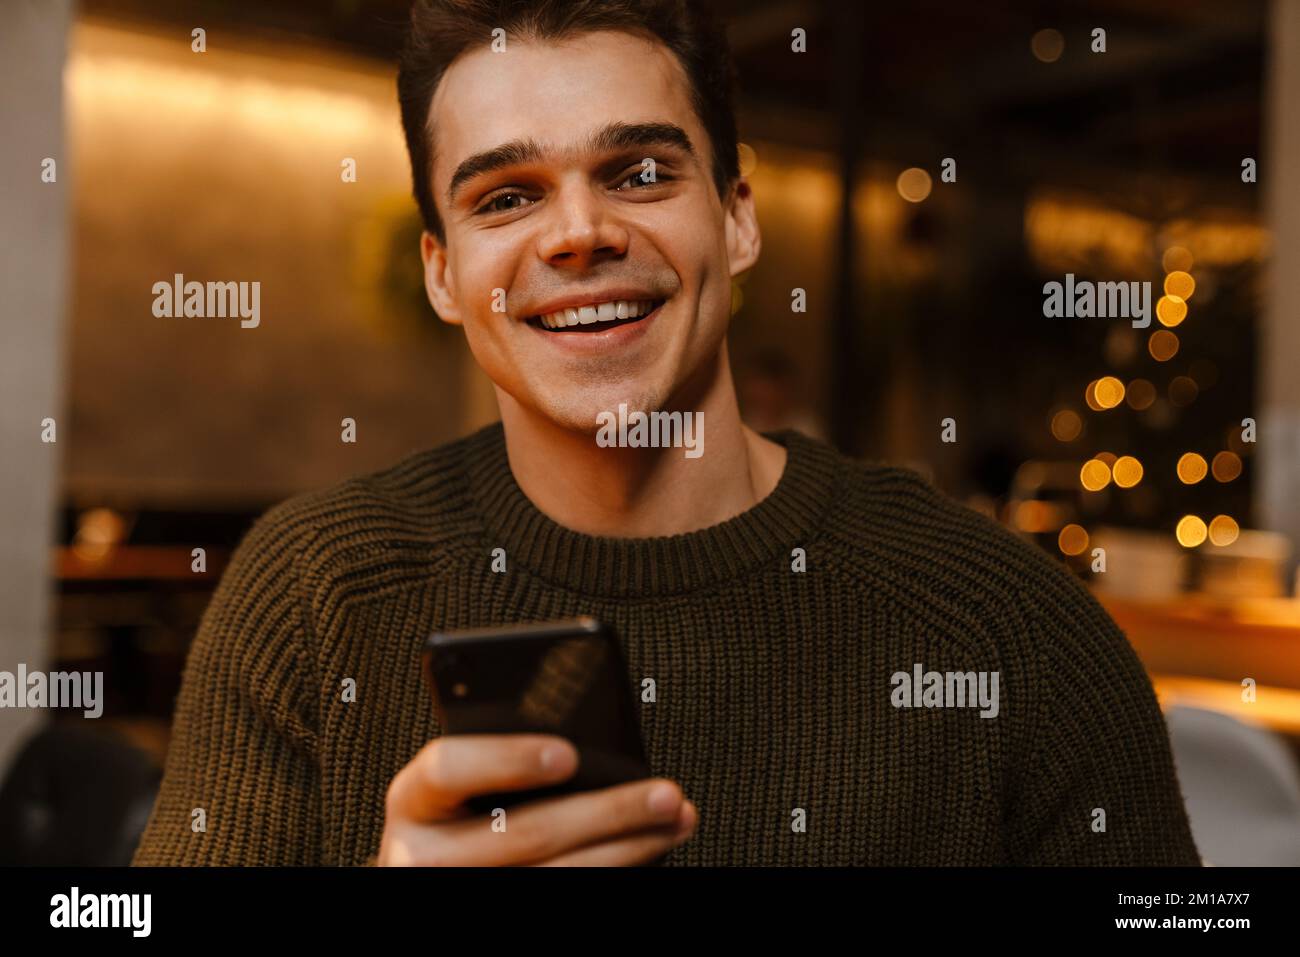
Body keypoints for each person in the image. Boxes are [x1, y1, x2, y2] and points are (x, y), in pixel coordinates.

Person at [132, 0, 1200, 867]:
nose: (580, 233)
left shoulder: (1004, 624)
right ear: (442, 272)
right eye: (506, 196)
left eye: (638, 172)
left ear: (735, 218)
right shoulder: (314, 592)